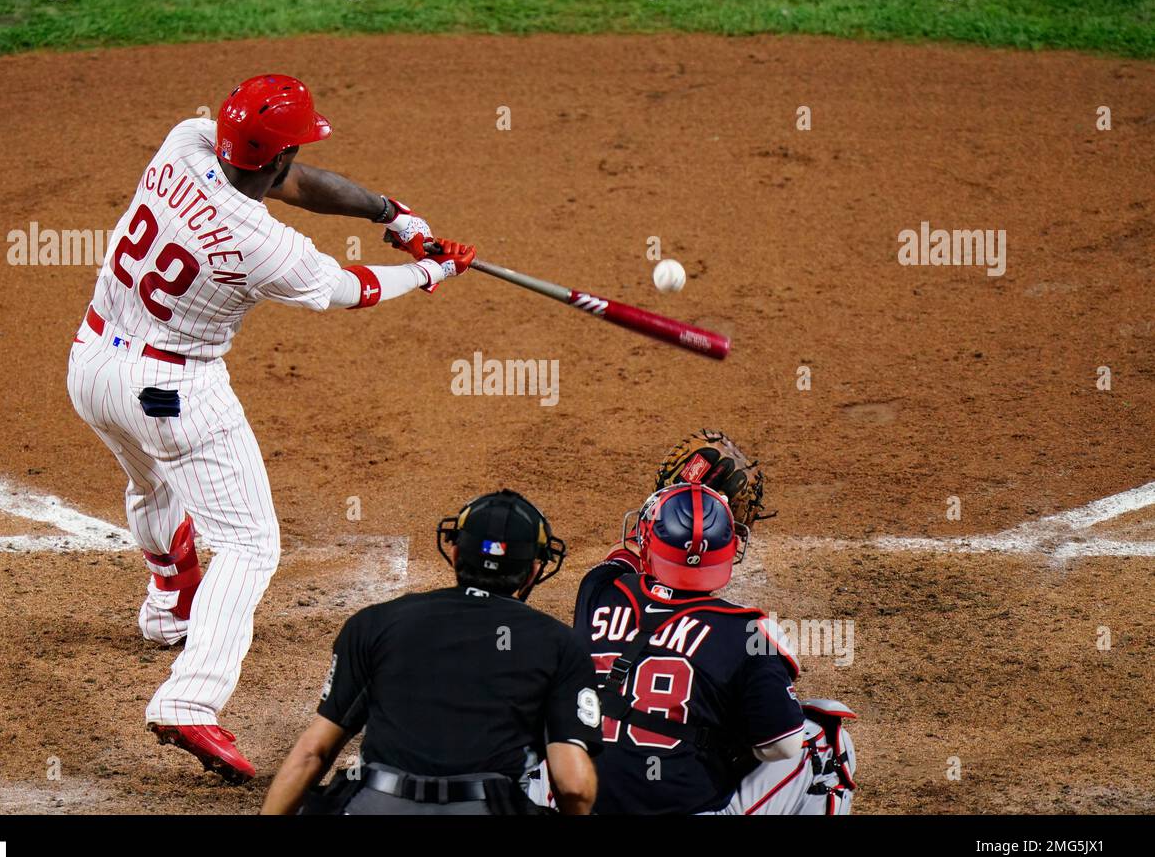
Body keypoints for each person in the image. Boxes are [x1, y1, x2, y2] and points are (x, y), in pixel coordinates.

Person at [67, 73, 476, 783]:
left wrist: (390, 212)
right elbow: (353, 289)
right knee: (250, 545)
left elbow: (293, 180)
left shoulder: (185, 143)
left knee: (154, 476)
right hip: (174, 391)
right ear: (277, 155)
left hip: (91, 366)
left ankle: (169, 608)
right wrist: (432, 272)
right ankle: (190, 699)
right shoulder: (263, 244)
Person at [260, 490, 602, 814]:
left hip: (377, 805)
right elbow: (574, 786)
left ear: (455, 553)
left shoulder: (375, 623)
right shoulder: (560, 643)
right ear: (534, 570)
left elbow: (311, 754)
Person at [573, 481, 857, 814]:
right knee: (822, 740)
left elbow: (622, 558)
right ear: (731, 549)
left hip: (584, 801)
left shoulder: (599, 590)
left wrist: (671, 501)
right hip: (683, 807)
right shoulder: (747, 632)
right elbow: (782, 744)